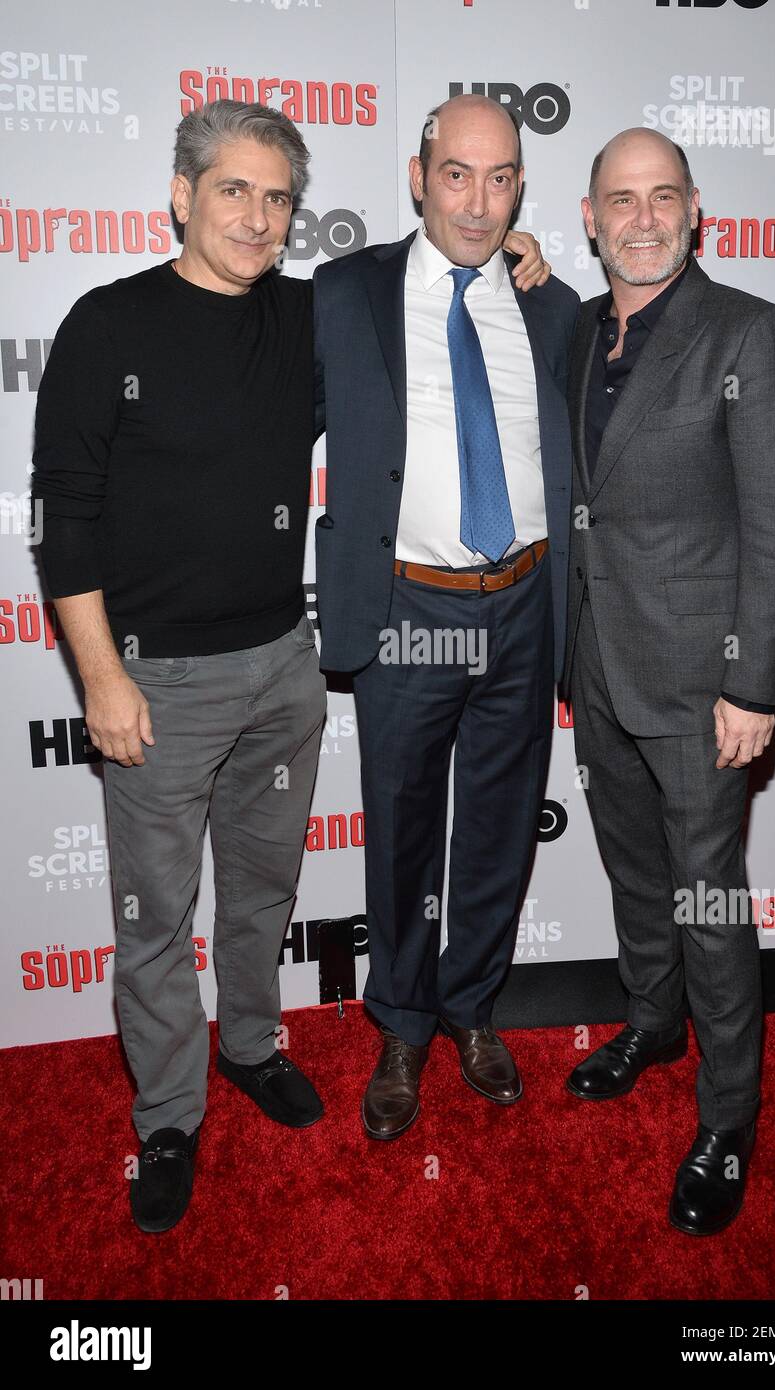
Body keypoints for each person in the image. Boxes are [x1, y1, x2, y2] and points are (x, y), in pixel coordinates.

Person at [30, 98, 549, 1229]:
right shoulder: (103, 325)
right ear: (181, 194)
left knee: (260, 892)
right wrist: (100, 677)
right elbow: (64, 515)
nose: (257, 218)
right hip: (152, 676)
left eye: (276, 198)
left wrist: (509, 256)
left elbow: (432, 301)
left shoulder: (312, 314)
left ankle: (254, 1046)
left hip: (282, 664)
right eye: (233, 191)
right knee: (156, 917)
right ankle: (166, 1114)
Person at [562, 127, 775, 1234]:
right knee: (634, 876)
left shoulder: (750, 332)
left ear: (695, 206)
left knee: (708, 899)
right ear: (588, 217)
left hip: (703, 685)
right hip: (597, 674)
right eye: (619, 198)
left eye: (661, 195)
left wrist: (754, 688)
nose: (641, 215)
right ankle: (649, 1021)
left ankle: (726, 1117)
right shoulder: (574, 333)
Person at [313, 93, 580, 1139]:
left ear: (521, 186)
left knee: (500, 826)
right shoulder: (344, 293)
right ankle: (403, 1023)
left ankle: (471, 1007)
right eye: (457, 173)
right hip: (407, 607)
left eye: (500, 176)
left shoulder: (553, 309)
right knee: (404, 830)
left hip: (521, 599)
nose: (477, 200)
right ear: (417, 176)